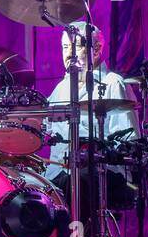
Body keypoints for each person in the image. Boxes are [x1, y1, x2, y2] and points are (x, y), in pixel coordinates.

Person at [45, 21, 137, 207]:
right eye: (65, 47)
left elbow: (128, 141)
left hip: (103, 171)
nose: (69, 53)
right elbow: (46, 133)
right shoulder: (59, 89)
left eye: (76, 46)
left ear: (96, 49)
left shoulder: (112, 83)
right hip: (59, 173)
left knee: (76, 186)